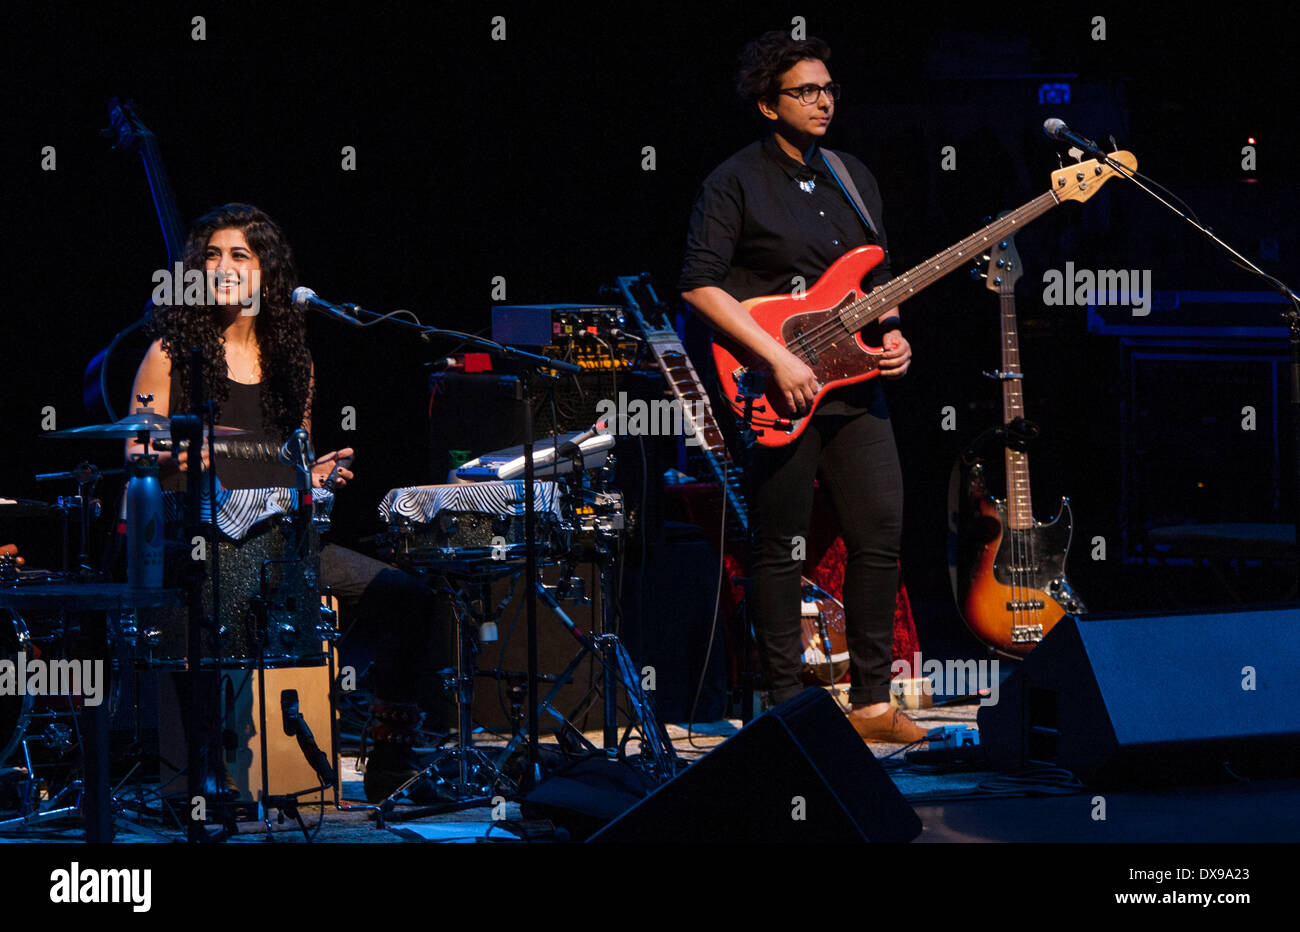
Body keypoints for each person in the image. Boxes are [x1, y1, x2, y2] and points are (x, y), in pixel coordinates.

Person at [127, 202, 447, 800]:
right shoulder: (169, 354)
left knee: (407, 597)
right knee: (203, 612)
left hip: (284, 546)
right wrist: (172, 455)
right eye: (212, 256)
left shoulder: (293, 360)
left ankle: (387, 761)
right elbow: (136, 451)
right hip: (205, 546)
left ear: (267, 272)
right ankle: (203, 776)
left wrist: (316, 474)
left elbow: (294, 462)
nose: (224, 266)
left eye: (239, 256)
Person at [678, 32, 926, 743]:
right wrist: (776, 360)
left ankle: (873, 702)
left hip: (853, 387)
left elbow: (877, 278)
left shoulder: (853, 174)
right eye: (805, 91)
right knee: (779, 547)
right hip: (776, 385)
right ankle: (789, 705)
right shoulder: (734, 181)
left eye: (828, 90)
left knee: (880, 533)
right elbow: (699, 283)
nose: (822, 102)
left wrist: (894, 335)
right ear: (767, 104)